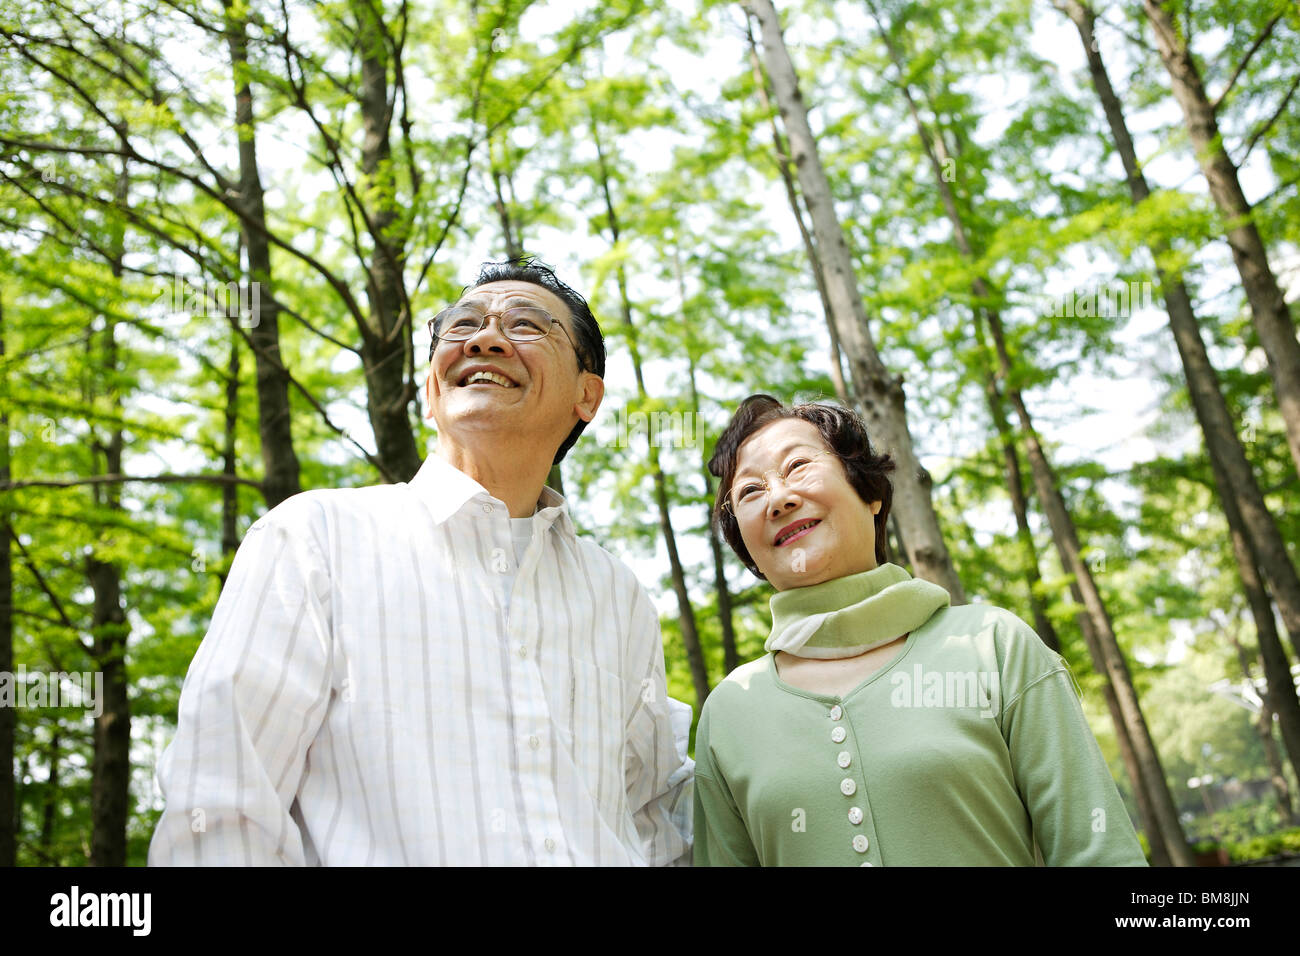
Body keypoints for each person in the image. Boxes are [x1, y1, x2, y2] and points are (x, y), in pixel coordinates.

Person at [148, 258, 693, 866]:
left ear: (586, 395)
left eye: (526, 326)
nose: (484, 340)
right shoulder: (314, 539)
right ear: (432, 391)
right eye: (461, 327)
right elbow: (223, 803)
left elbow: (655, 817)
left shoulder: (618, 594)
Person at [692, 394, 1147, 866]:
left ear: (869, 491)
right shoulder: (730, 711)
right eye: (749, 491)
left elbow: (1098, 855)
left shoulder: (991, 645)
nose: (779, 499)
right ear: (743, 544)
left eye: (799, 465)